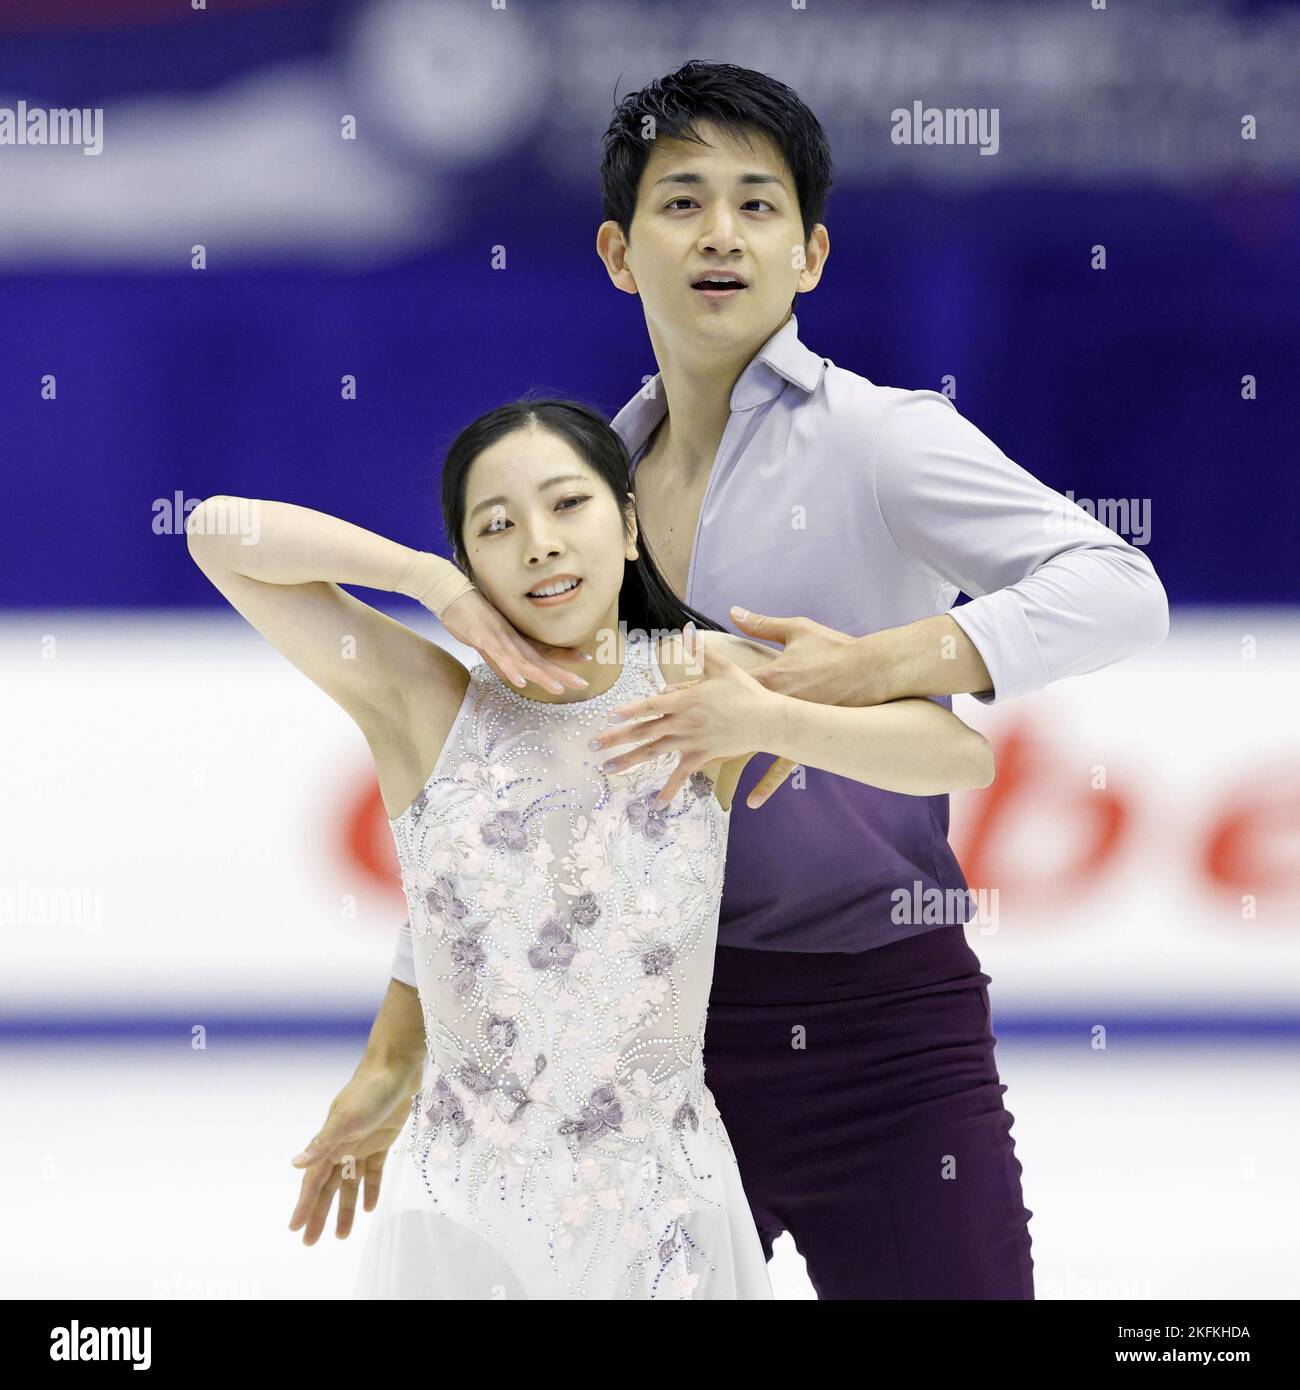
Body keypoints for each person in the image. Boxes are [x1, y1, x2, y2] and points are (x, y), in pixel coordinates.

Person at [292, 60, 1169, 1300]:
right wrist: (400, 1045)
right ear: (616, 248)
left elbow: (1118, 586)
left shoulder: (883, 438)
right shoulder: (589, 491)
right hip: (644, 1045)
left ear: (809, 254)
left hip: (885, 1026)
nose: (721, 233)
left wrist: (858, 673)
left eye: (757, 205)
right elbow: (509, 800)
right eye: (683, 200)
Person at [186, 397, 995, 1299]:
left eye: (569, 505)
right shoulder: (427, 705)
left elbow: (960, 754)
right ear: (471, 563)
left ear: (631, 526)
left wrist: (774, 720)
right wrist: (425, 580)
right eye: (497, 526)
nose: (539, 541)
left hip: (666, 1217)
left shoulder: (701, 679)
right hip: (465, 1217)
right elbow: (217, 533)